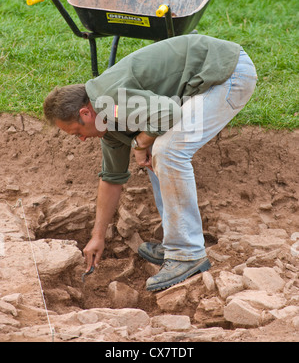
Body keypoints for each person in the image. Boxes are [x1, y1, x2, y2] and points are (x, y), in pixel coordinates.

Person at [43, 33, 257, 292]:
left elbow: (169, 113)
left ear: (85, 113)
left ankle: (187, 253)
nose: (81, 140)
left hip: (226, 73)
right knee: (158, 149)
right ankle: (175, 244)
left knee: (168, 150)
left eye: (77, 132)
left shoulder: (109, 102)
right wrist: (97, 236)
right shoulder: (106, 123)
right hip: (207, 78)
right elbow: (111, 179)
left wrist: (140, 142)